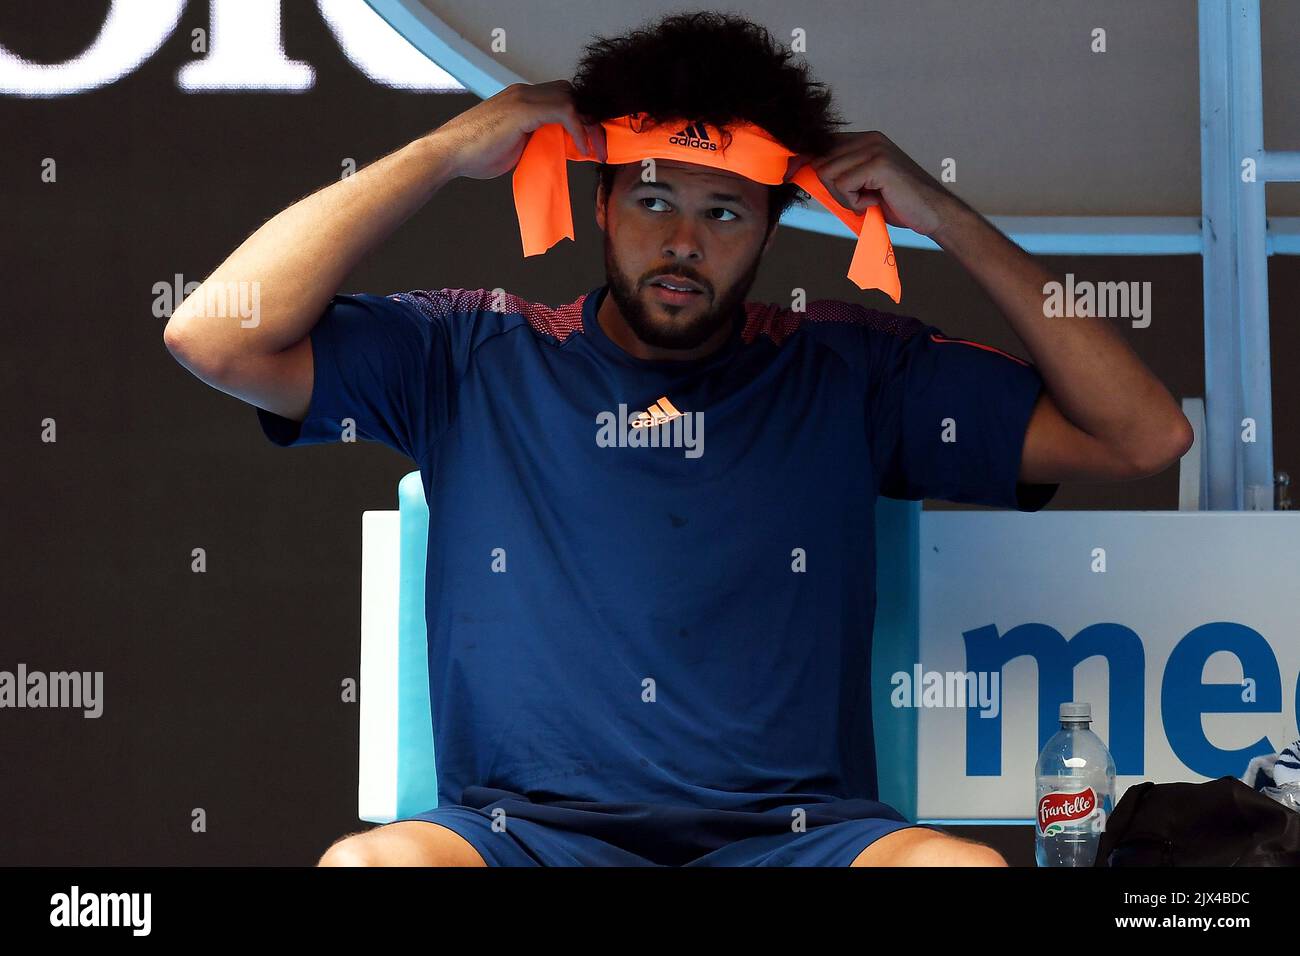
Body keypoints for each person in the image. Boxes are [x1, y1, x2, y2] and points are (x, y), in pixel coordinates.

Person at [162, 11, 1191, 867]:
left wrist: (950, 218)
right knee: (366, 866)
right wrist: (444, 149)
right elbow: (213, 332)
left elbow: (1141, 434)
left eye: (725, 212)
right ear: (601, 201)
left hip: (799, 839)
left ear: (773, 228)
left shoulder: (850, 369)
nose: (684, 241)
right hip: (525, 836)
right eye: (651, 199)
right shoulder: (471, 352)